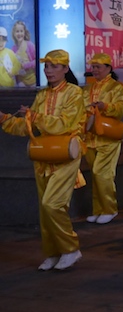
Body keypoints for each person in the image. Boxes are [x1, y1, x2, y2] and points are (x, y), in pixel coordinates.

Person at [1, 50, 87, 270]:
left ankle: (71, 249)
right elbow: (29, 127)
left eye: (54, 66)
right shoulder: (41, 95)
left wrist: (35, 116)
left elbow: (65, 124)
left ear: (66, 69)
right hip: (43, 154)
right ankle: (53, 252)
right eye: (46, 66)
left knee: (53, 204)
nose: (48, 70)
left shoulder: (74, 93)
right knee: (44, 207)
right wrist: (6, 120)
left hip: (65, 154)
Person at [83, 53, 123, 224]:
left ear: (109, 68)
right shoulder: (88, 88)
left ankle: (110, 209)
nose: (95, 70)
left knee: (102, 173)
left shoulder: (116, 88)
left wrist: (105, 106)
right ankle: (99, 209)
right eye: (93, 67)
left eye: (98, 67)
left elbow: (121, 108)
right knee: (96, 175)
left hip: (108, 138)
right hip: (90, 138)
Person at [12, 20, 36, 86]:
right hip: (21, 81)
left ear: (24, 32)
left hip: (33, 80)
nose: (19, 34)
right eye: (17, 31)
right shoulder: (13, 49)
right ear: (14, 33)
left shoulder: (30, 45)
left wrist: (26, 65)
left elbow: (37, 61)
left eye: (21, 31)